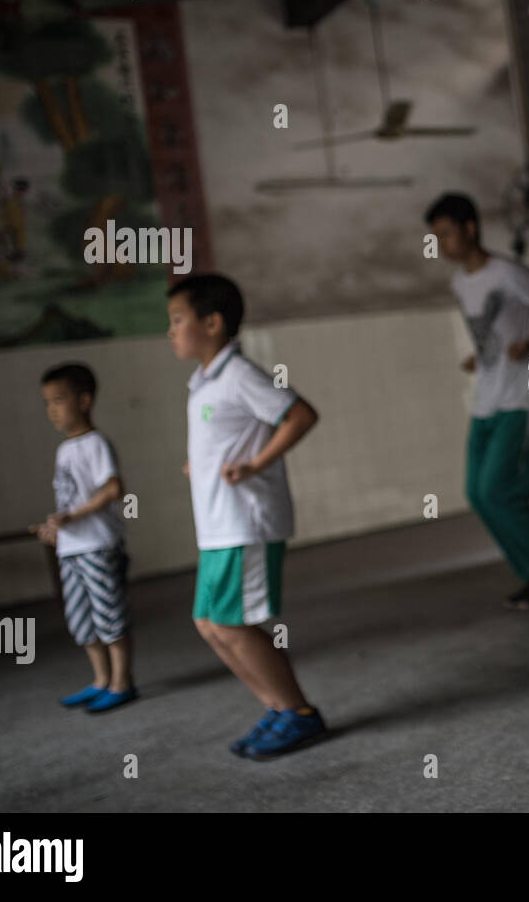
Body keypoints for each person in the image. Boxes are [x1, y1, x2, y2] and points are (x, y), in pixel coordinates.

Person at [166, 273, 327, 758]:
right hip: (216, 525)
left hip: (245, 522)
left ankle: (299, 713)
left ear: (212, 323)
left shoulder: (239, 374)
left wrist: (255, 464)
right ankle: (276, 708)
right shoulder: (203, 382)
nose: (170, 331)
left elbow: (300, 415)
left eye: (178, 320)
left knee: (233, 624)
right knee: (209, 624)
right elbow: (228, 436)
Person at [425, 192, 529, 609]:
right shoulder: (460, 282)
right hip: (486, 399)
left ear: (470, 228)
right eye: (434, 237)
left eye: (445, 234)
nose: (441, 244)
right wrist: (482, 355)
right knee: (478, 494)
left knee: (501, 493)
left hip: (521, 396)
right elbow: (489, 332)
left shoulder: (507, 272)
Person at [31, 362, 137, 713]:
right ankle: (100, 680)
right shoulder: (64, 450)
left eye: (59, 400)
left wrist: (73, 517)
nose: (52, 409)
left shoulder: (96, 443)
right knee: (81, 619)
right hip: (71, 548)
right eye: (48, 402)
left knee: (109, 614)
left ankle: (122, 683)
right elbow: (69, 499)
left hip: (97, 545)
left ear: (85, 400)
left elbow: (113, 489)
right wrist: (56, 529)